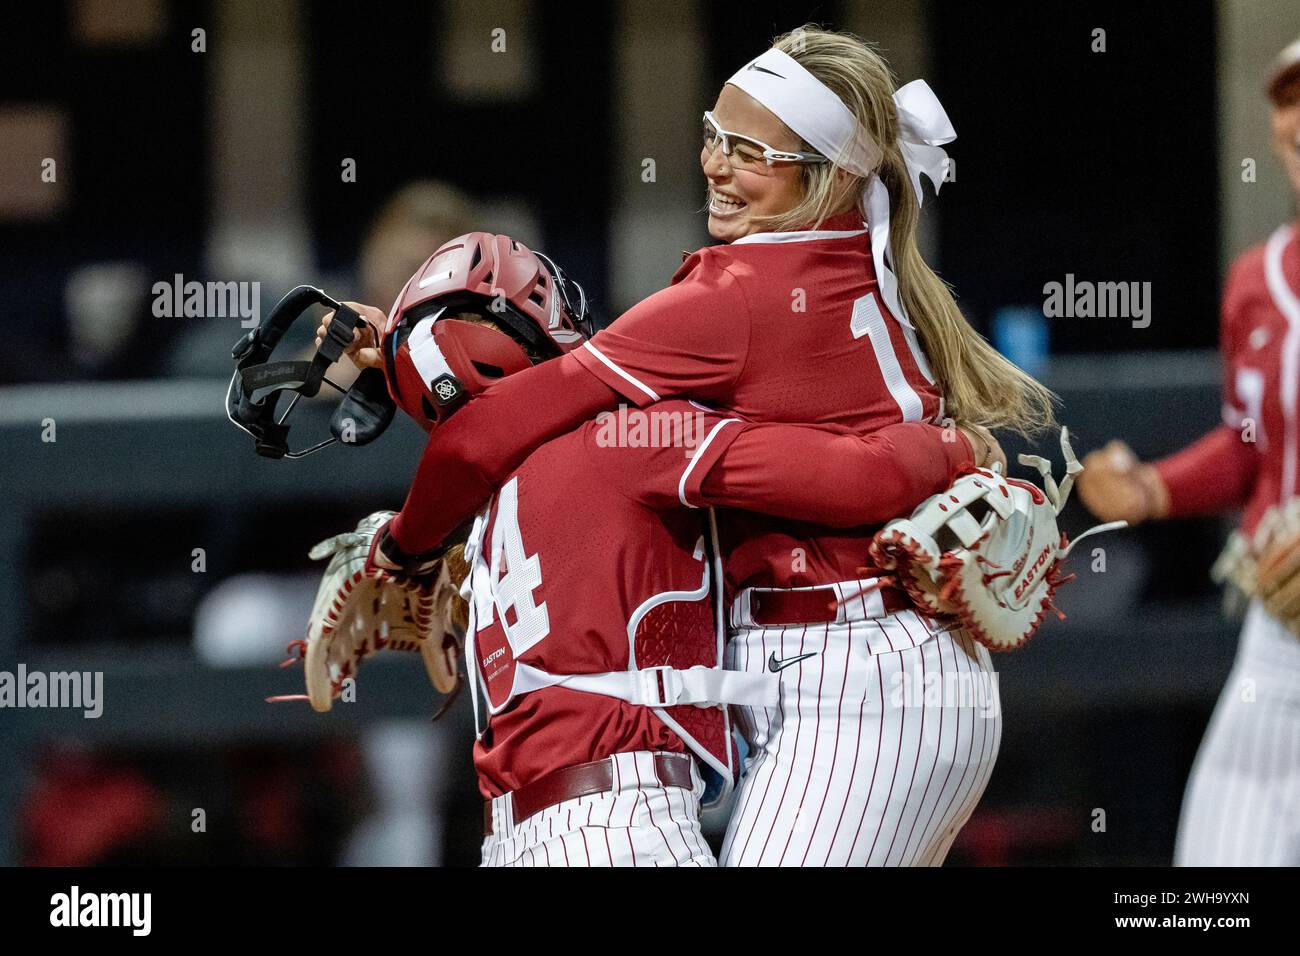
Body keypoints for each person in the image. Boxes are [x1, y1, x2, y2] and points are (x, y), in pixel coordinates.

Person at [327, 26, 1050, 865]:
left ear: (824, 176)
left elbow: (483, 434)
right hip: (890, 669)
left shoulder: (732, 293)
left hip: (852, 677)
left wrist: (401, 549)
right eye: (714, 132)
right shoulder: (868, 256)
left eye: (749, 151)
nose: (714, 163)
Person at [379, 233, 996, 865]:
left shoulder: (471, 524)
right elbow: (863, 479)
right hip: (622, 827)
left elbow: (477, 433)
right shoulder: (623, 436)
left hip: (511, 840)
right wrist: (962, 448)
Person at [1076, 36, 1300, 867]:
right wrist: (1150, 489)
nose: (1298, 119)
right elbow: (1251, 445)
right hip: (1282, 631)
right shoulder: (1257, 279)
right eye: (1286, 98)